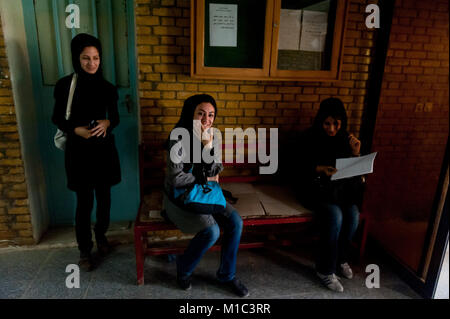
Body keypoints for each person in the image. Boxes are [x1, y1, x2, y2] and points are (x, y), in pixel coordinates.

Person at [163, 94, 249, 297]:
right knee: (212, 231)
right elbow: (176, 179)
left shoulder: (212, 136)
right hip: (179, 197)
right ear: (190, 114)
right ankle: (184, 268)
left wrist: (208, 146)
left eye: (211, 115)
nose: (206, 120)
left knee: (235, 221)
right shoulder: (177, 137)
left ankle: (226, 275)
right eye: (200, 114)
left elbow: (217, 169)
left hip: (204, 193)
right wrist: (205, 178)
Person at [52, 33, 121, 271]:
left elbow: (116, 118)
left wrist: (107, 123)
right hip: (79, 152)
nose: (91, 63)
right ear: (76, 58)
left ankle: (101, 237)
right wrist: (75, 130)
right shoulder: (65, 86)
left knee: (105, 199)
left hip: (103, 151)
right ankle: (84, 250)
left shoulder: (108, 88)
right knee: (84, 202)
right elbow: (57, 117)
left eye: (96, 58)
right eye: (85, 58)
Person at [296, 97, 362, 292]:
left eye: (336, 124)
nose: (332, 129)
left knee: (353, 214)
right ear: (320, 121)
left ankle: (340, 258)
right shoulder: (309, 138)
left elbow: (352, 172)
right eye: (327, 123)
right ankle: (325, 269)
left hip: (338, 191)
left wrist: (355, 154)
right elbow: (296, 168)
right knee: (335, 215)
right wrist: (319, 168)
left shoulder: (345, 140)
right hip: (313, 189)